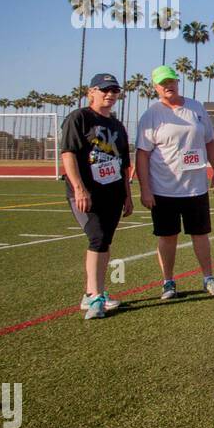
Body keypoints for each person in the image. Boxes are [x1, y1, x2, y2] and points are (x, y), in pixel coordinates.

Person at [135, 66, 214, 298]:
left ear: (178, 81)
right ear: (155, 87)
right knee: (167, 237)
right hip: (164, 189)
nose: (168, 85)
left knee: (201, 234)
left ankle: (209, 277)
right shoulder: (151, 115)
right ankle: (168, 282)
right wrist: (145, 189)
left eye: (171, 81)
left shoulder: (196, 108)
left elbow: (209, 142)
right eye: (162, 83)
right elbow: (142, 154)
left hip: (195, 188)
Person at [60, 73, 133, 320]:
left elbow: (124, 164)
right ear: (91, 92)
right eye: (105, 90)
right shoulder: (79, 118)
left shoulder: (117, 126)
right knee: (97, 238)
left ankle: (92, 292)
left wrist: (128, 195)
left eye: (114, 91)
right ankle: (95, 297)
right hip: (87, 193)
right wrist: (79, 188)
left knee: (105, 241)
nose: (110, 95)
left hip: (112, 192)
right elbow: (68, 154)